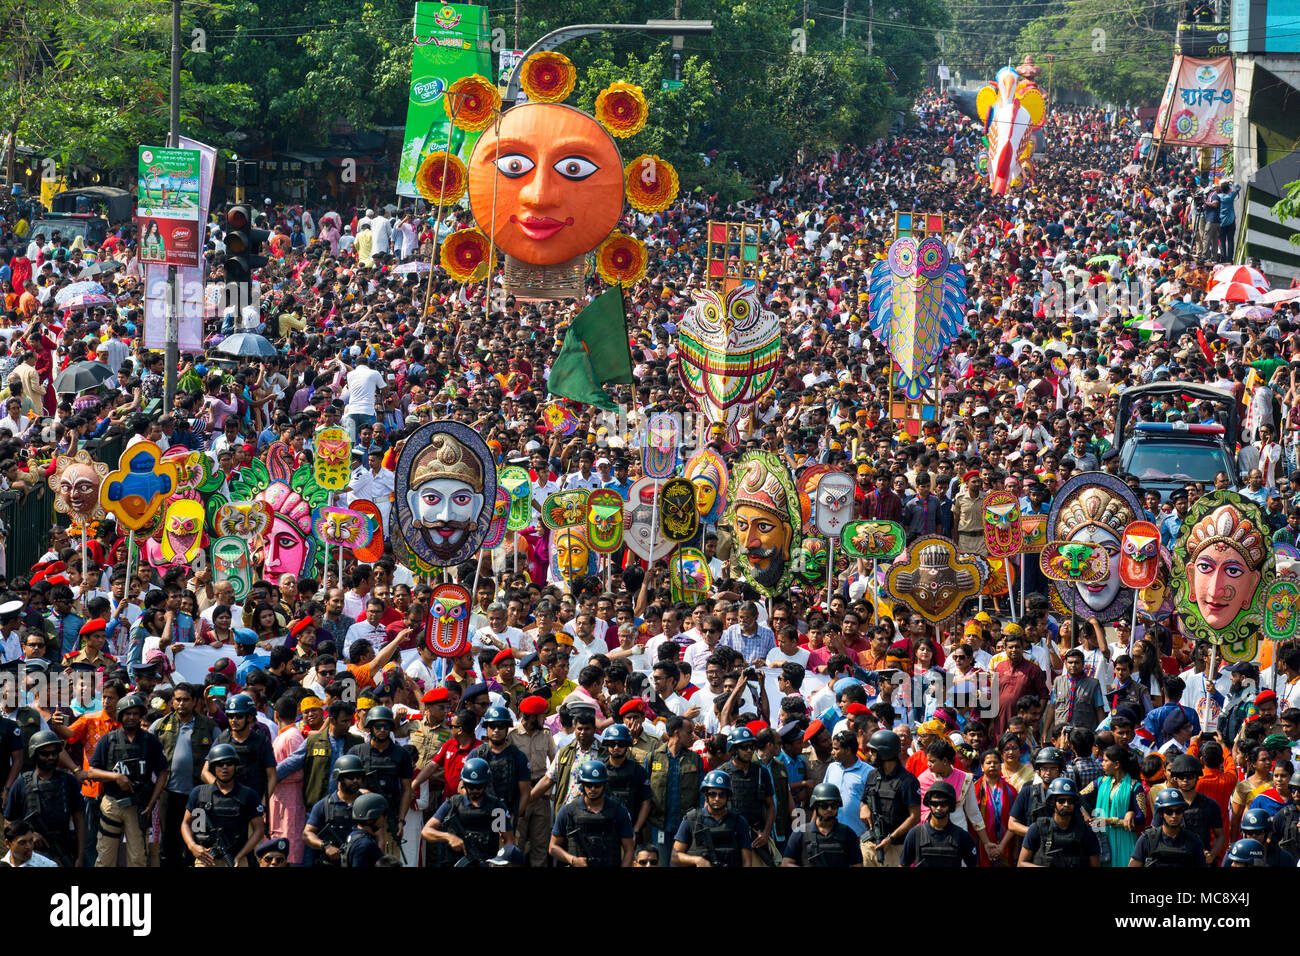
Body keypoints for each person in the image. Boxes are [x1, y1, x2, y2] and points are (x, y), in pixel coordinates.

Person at [86, 693, 168, 867]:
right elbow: (91, 772)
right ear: (120, 715)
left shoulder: (150, 741)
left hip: (139, 806)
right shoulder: (109, 739)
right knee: (105, 857)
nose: (131, 717)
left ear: (140, 715)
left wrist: (151, 803)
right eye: (127, 713)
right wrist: (116, 777)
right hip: (112, 803)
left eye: (135, 713)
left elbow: (162, 773)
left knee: (137, 858)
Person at [2, 730, 84, 866]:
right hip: (31, 854)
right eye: (45, 754)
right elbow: (9, 822)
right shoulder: (22, 783)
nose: (51, 757)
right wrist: (30, 835)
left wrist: (80, 857)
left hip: (63, 850)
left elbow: (79, 820)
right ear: (35, 754)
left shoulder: (69, 781)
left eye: (54, 753)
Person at [181, 743, 265, 867]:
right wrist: (192, 846)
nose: (225, 767)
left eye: (229, 763)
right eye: (220, 764)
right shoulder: (199, 793)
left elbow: (259, 830)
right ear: (214, 767)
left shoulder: (248, 795)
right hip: (205, 859)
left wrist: (240, 856)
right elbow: (186, 823)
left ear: (235, 766)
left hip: (236, 860)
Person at [422, 757, 513, 866]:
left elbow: (508, 840)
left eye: (479, 786)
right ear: (464, 783)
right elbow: (426, 831)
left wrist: (499, 860)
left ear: (485, 784)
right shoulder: (453, 805)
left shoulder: (496, 808)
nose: (475, 790)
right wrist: (448, 837)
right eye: (471, 786)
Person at [550, 760, 635, 867]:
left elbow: (629, 849)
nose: (593, 789)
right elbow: (553, 847)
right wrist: (572, 860)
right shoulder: (568, 811)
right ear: (582, 784)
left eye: (597, 785)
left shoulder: (618, 811)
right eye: (589, 785)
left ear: (604, 785)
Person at [672, 769, 753, 867]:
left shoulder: (739, 822)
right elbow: (674, 857)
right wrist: (697, 860)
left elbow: (747, 861)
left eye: (721, 794)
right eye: (712, 794)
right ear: (706, 795)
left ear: (728, 796)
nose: (717, 798)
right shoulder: (691, 820)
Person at [1018, 777, 1101, 867]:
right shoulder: (1037, 828)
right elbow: (1021, 863)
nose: (1066, 804)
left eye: (1070, 801)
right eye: (1061, 800)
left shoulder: (1086, 831)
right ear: (1053, 801)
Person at [302, 753, 365, 866]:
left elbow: (379, 836)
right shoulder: (324, 805)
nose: (355, 780)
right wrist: (325, 846)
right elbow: (307, 834)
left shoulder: (366, 803)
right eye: (350, 777)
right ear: (339, 778)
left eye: (359, 776)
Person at [781, 782, 863, 867]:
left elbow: (858, 865)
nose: (829, 809)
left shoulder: (848, 833)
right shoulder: (801, 833)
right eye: (824, 806)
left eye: (834, 805)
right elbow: (786, 863)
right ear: (815, 806)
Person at [900, 781, 977, 867]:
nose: (939, 808)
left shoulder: (962, 836)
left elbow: (973, 864)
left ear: (950, 805)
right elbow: (903, 864)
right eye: (935, 804)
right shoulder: (915, 834)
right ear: (929, 804)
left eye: (943, 804)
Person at [1129, 788, 1208, 867]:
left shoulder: (1193, 840)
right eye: (1169, 812)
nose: (1174, 816)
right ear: (1160, 813)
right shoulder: (1148, 839)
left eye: (1178, 811)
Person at [343, 792, 390, 867]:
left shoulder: (354, 836)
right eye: (383, 814)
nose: (385, 818)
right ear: (370, 819)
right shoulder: (364, 845)